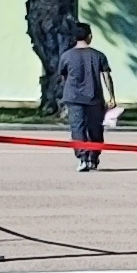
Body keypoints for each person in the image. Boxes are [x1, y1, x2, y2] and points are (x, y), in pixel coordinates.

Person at [51, 21, 116, 170]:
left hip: (73, 97)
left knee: (77, 127)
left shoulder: (66, 56)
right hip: (94, 97)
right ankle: (94, 157)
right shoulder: (98, 55)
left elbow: (62, 76)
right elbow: (106, 76)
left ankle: (83, 157)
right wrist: (112, 96)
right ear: (90, 36)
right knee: (95, 128)